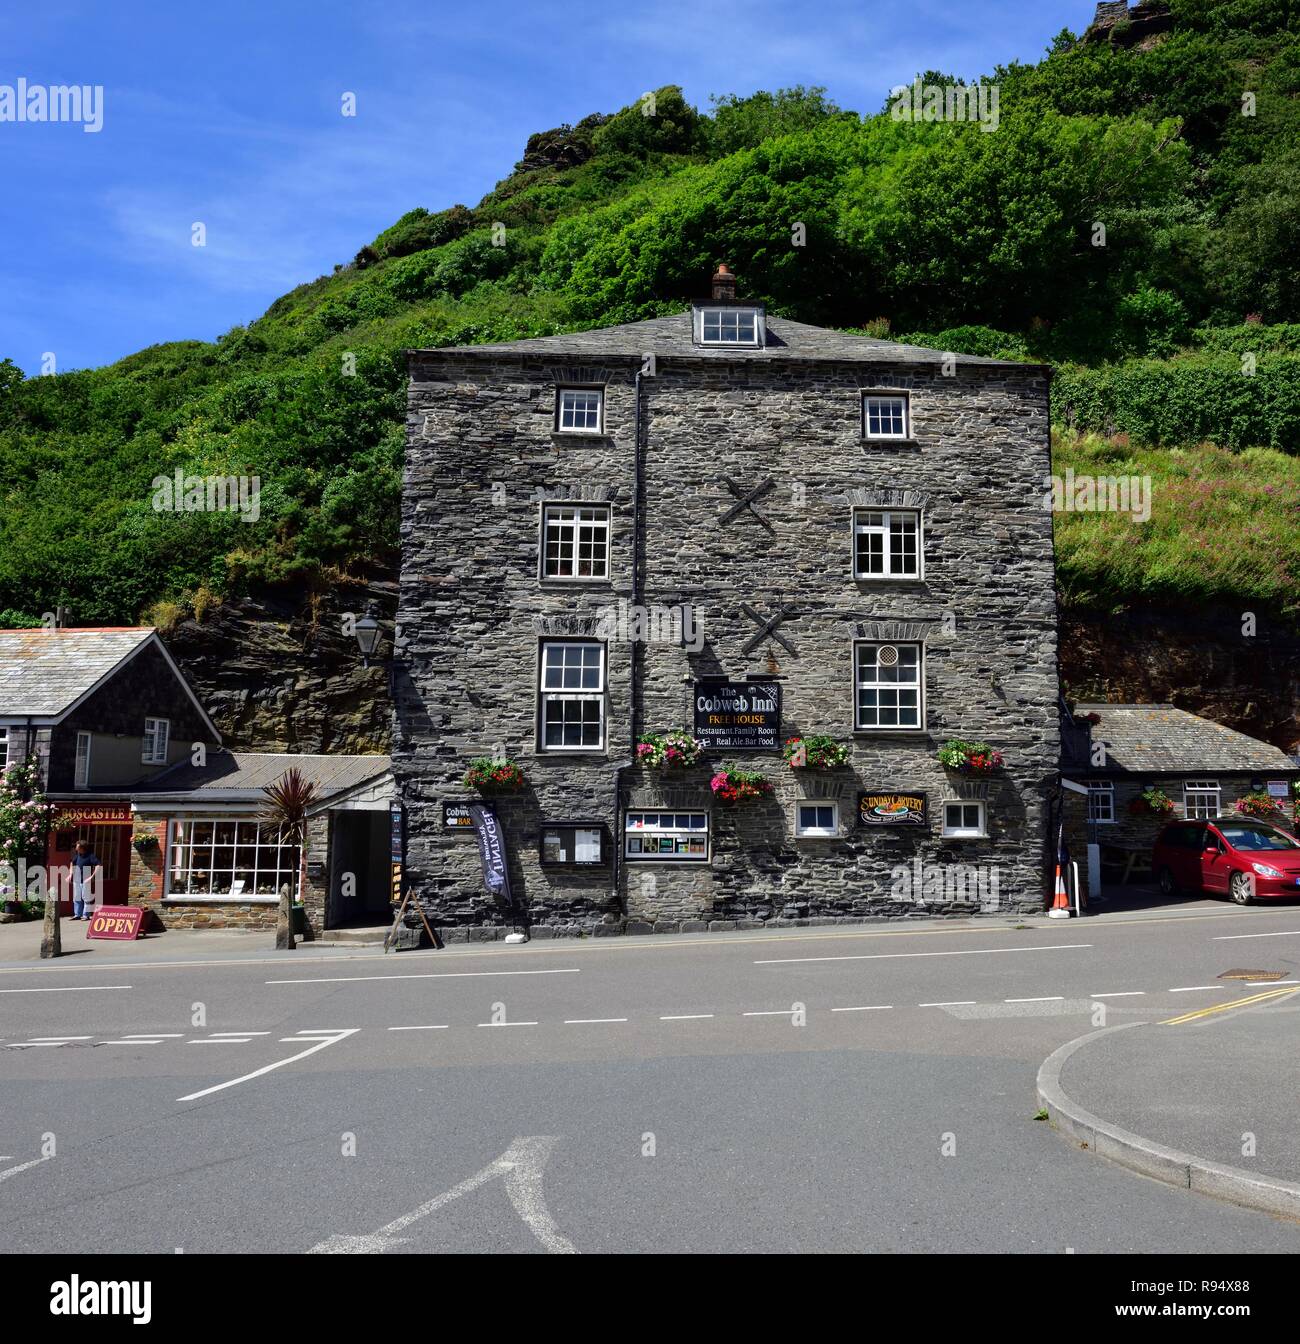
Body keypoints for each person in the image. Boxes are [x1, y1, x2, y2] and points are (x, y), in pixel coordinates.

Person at [70, 840, 101, 920]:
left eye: (77, 846)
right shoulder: (77, 855)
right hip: (77, 879)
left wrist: (92, 876)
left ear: (82, 847)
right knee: (76, 897)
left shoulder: (90, 856)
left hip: (85, 879)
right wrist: (70, 874)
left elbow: (98, 865)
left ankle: (85, 915)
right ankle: (77, 914)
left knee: (86, 898)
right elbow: (72, 863)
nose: (76, 847)